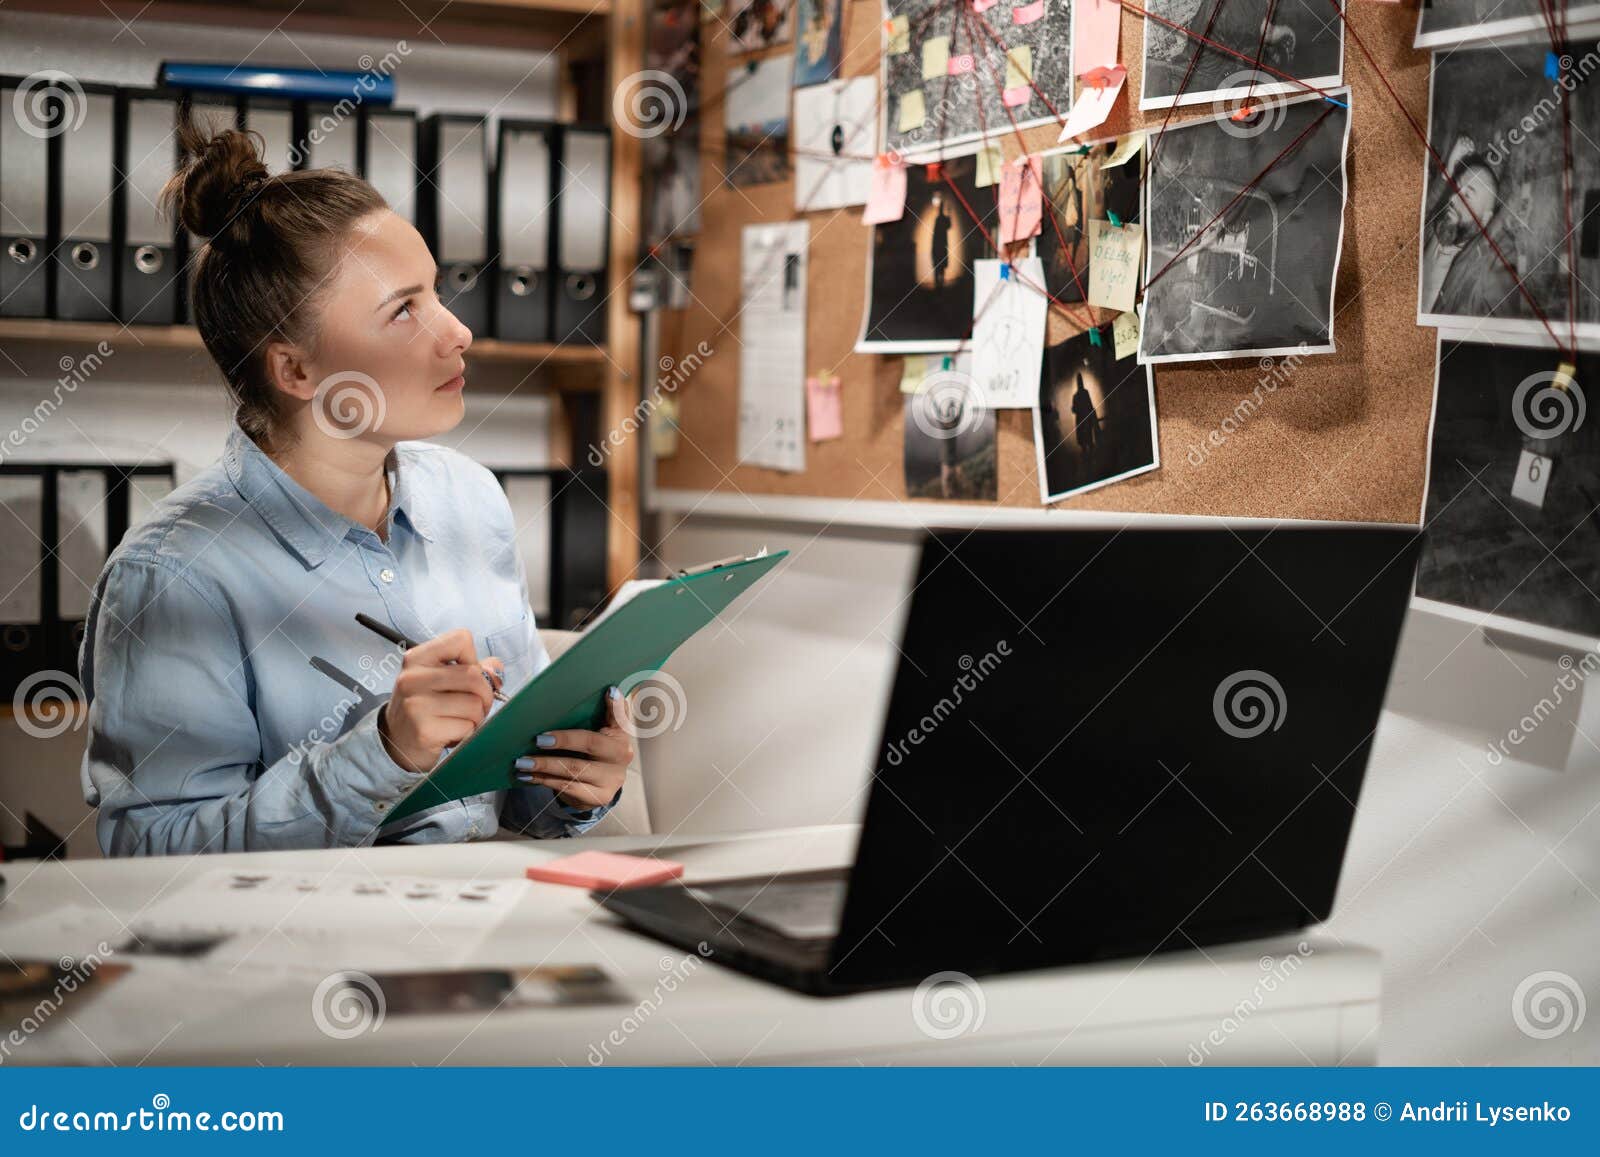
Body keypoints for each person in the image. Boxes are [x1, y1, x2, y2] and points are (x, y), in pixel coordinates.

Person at [78, 113, 632, 856]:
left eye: (436, 292)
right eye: (404, 310)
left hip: (482, 909)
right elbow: (152, 854)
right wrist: (382, 753)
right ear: (296, 369)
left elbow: (518, 797)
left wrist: (571, 780)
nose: (458, 331)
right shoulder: (174, 576)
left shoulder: (471, 498)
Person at [1421, 136, 1520, 317]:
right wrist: (1448, 170)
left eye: (1467, 195)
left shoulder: (1481, 271)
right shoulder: (1437, 229)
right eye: (1457, 188)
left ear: (1484, 219)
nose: (1453, 198)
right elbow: (1423, 212)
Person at [930, 192, 952, 291]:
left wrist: (949, 214)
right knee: (938, 265)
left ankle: (940, 284)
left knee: (940, 266)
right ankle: (938, 284)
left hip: (941, 245)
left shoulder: (942, 219)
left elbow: (948, 226)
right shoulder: (938, 219)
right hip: (939, 245)